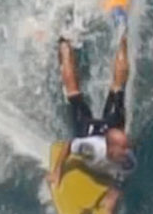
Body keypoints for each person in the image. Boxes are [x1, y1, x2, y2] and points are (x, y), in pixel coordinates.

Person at [57, 26, 136, 183]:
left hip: (111, 130)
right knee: (73, 92)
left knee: (118, 87)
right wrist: (57, 172)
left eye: (127, 148)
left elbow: (120, 181)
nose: (128, 152)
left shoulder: (128, 161)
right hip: (89, 129)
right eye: (124, 149)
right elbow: (68, 145)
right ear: (111, 150)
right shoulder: (91, 148)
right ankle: (64, 43)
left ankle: (122, 32)